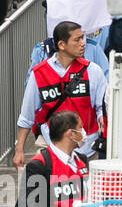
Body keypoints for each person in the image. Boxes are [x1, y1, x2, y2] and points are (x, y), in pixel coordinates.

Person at [14, 21, 105, 168]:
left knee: (85, 191)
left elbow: (102, 108)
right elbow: (26, 116)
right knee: (49, 190)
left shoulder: (94, 71)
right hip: (50, 151)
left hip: (88, 151)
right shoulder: (39, 74)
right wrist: (19, 150)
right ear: (62, 45)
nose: (83, 43)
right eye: (77, 40)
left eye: (83, 38)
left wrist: (102, 122)